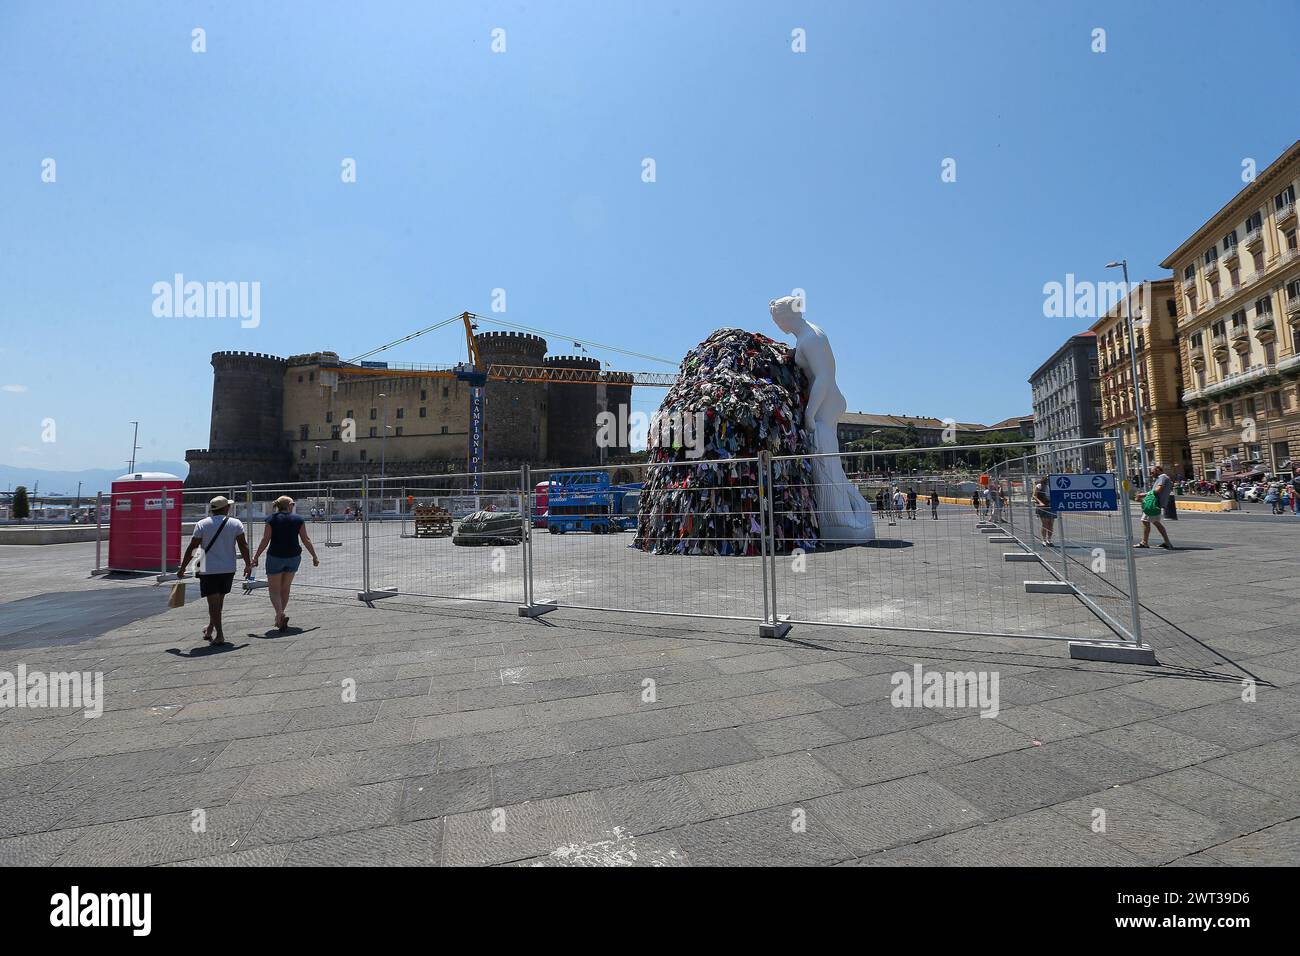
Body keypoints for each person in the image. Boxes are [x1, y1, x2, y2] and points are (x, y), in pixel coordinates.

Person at [177, 495, 250, 645]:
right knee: (218, 602)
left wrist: (183, 567)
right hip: (228, 568)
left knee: (213, 604)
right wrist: (248, 565)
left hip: (208, 569)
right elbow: (243, 545)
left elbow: (193, 547)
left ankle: (220, 635)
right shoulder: (236, 523)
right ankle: (210, 628)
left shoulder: (202, 524)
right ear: (226, 508)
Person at [252, 496, 321, 631]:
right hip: (293, 556)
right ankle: (280, 616)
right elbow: (306, 539)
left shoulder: (271, 519)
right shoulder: (298, 519)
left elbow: (265, 540)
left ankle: (279, 613)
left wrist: (256, 557)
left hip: (275, 556)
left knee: (274, 589)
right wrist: (314, 556)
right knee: (285, 587)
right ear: (289, 505)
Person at [1137, 465, 1174, 550]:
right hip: (1156, 504)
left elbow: (1158, 490)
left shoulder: (1162, 477)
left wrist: (1144, 494)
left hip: (1154, 504)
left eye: (1152, 472)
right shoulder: (1164, 478)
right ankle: (1166, 542)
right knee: (1155, 522)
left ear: (1158, 470)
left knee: (1146, 521)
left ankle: (1145, 542)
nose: (1151, 474)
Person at [1033, 476, 1055, 547]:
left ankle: (1049, 540)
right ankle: (1044, 540)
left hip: (1051, 505)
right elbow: (1034, 496)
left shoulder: (1052, 486)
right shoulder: (1039, 486)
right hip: (1043, 506)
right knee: (1045, 524)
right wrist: (1040, 503)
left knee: (1051, 523)